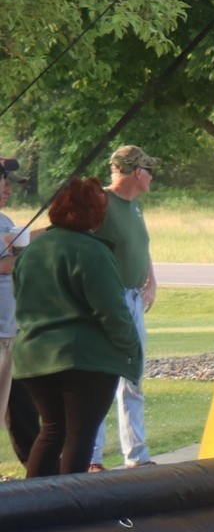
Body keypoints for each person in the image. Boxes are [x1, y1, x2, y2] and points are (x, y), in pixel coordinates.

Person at [11, 178, 141, 479]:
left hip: (34, 356)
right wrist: (131, 349)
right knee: (79, 435)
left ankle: (31, 506)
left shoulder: (32, 250)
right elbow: (112, 312)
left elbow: (22, 298)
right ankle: (70, 506)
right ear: (93, 213)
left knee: (52, 431)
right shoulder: (92, 252)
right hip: (83, 360)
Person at [91, 145, 156, 468]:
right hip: (108, 300)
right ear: (136, 172)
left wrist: (151, 281)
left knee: (133, 378)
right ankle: (92, 457)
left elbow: (141, 246)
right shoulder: (101, 202)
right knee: (101, 376)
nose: (152, 177)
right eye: (149, 170)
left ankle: (137, 456)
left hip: (132, 299)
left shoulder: (135, 208)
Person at [0, 157, 26, 454]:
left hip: (9, 331)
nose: (8, 190)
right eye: (3, 182)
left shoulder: (6, 222)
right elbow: (5, 266)